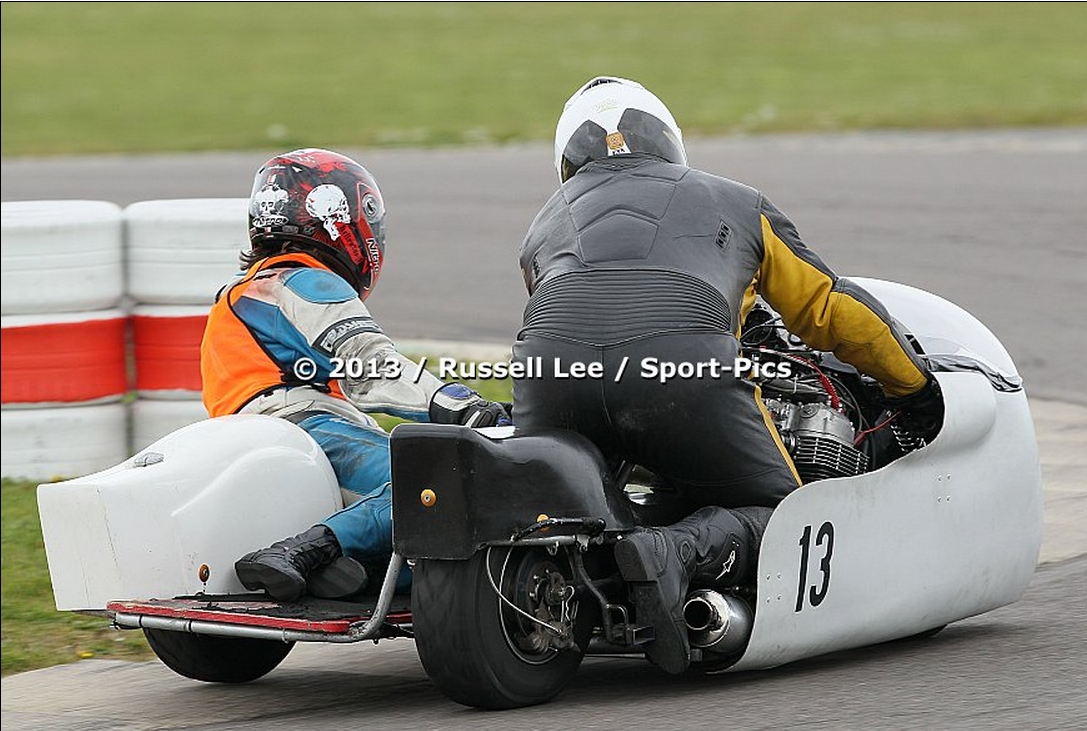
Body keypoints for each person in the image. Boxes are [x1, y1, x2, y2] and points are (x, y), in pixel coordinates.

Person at [512, 78, 941, 674]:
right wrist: (912, 387)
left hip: (550, 374)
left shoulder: (541, 225)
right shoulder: (737, 201)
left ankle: (572, 566)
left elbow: (570, 320)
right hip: (683, 370)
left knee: (546, 514)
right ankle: (676, 549)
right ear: (667, 142)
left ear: (566, 162)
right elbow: (828, 311)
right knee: (786, 515)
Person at [200, 148, 508, 602]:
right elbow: (371, 367)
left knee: (426, 517)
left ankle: (352, 570)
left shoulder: (241, 291)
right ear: (338, 219)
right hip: (304, 428)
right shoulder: (305, 282)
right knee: (442, 477)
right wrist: (462, 408)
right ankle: (307, 550)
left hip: (240, 437)